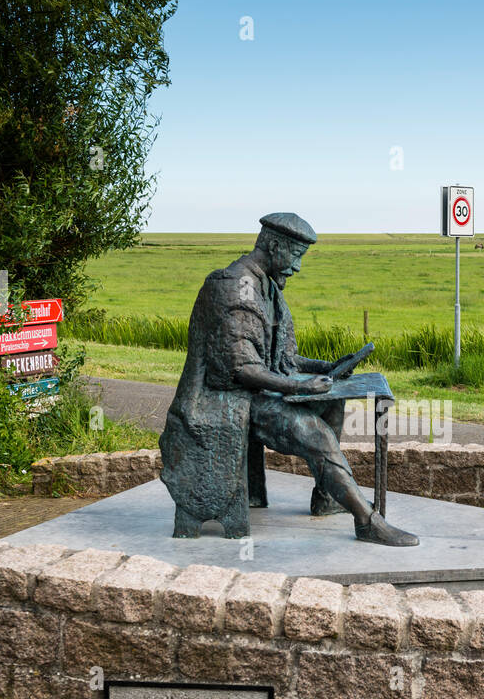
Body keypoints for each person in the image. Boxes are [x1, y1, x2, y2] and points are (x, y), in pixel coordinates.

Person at [159, 212, 418, 546]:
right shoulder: (233, 288)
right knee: (318, 436)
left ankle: (327, 498)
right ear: (275, 245)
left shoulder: (266, 287)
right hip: (228, 401)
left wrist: (324, 367)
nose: (297, 267)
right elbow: (240, 369)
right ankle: (366, 521)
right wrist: (298, 385)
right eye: (295, 256)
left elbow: (279, 358)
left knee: (332, 403)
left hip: (254, 391)